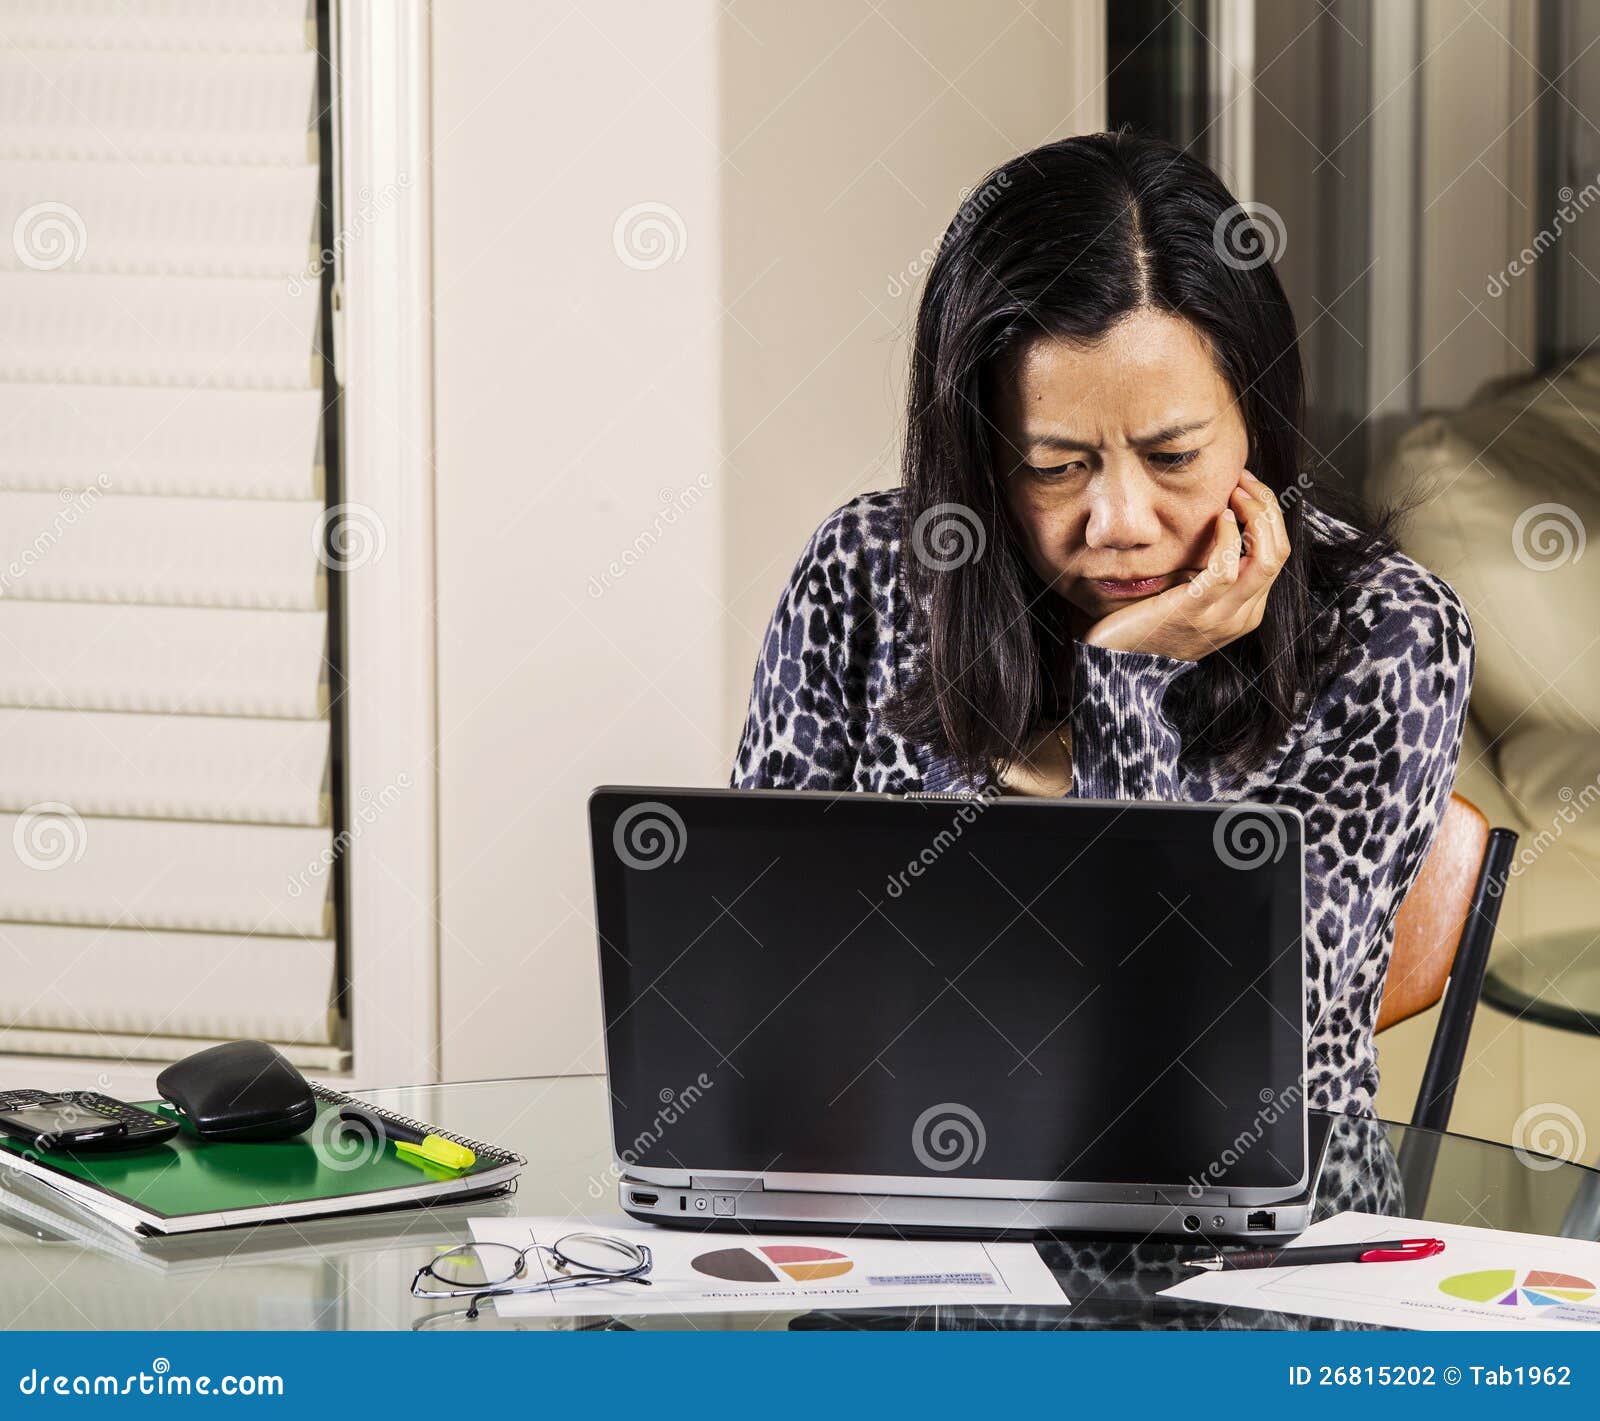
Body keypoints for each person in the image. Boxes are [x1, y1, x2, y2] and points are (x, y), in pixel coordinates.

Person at [730, 130, 1474, 1118]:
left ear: (1258, 418)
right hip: (887, 1199)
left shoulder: (1388, 633)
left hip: (1238, 1226)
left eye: (1173, 456)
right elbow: (753, 980)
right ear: (979, 456)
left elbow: (1202, 1055)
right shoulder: (865, 573)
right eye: (1053, 466)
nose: (1120, 524)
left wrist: (1126, 684)